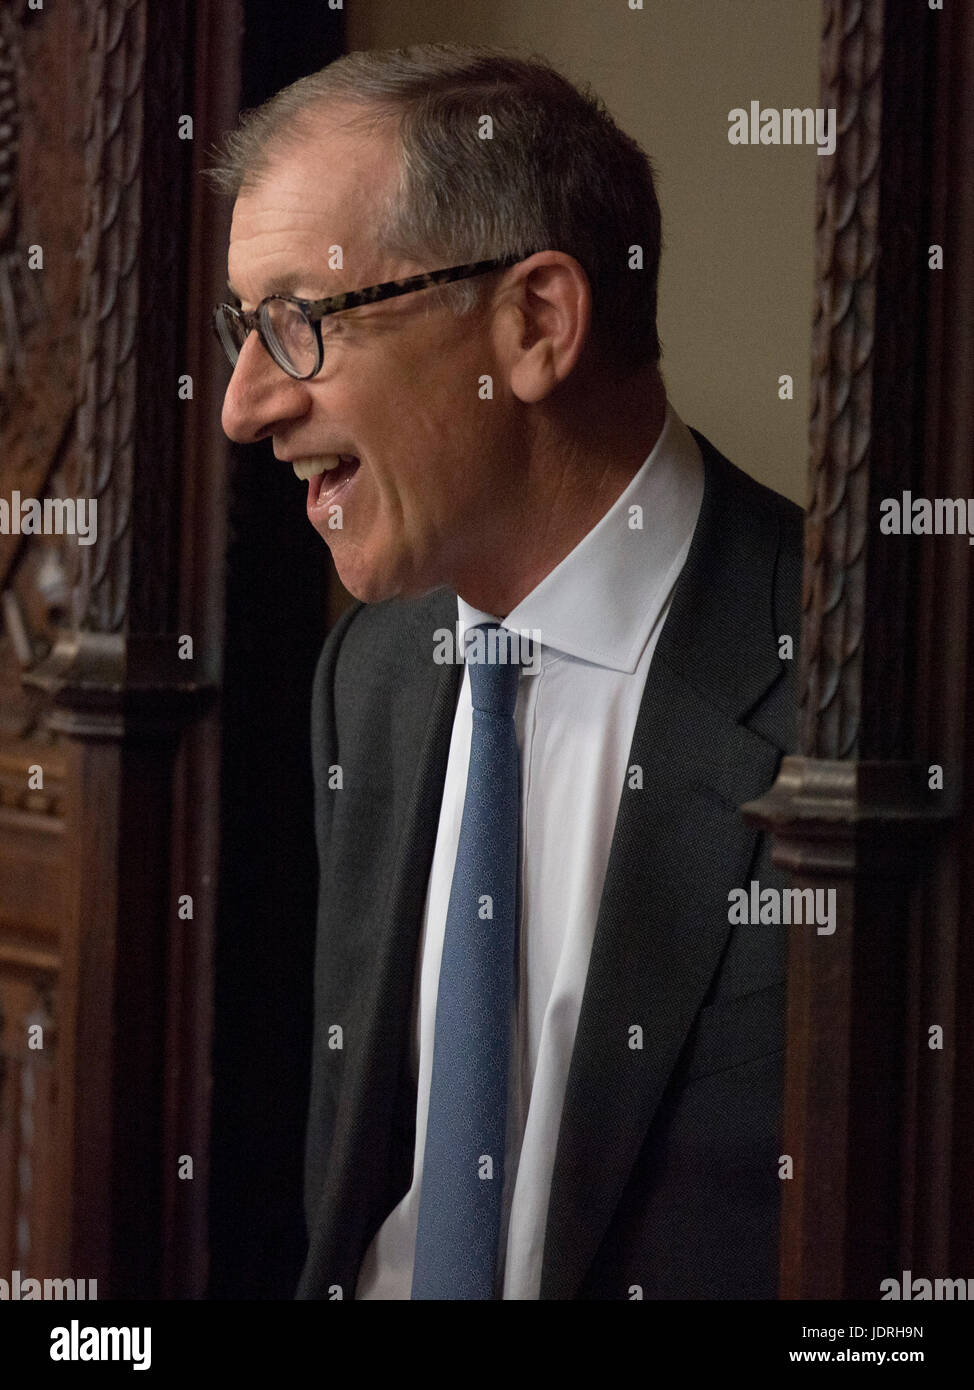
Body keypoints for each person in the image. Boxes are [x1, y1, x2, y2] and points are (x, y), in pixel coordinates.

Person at [212, 43, 803, 1300]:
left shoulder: (860, 675)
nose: (243, 403)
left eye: (297, 325)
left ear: (533, 323)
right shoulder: (363, 679)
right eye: (242, 329)